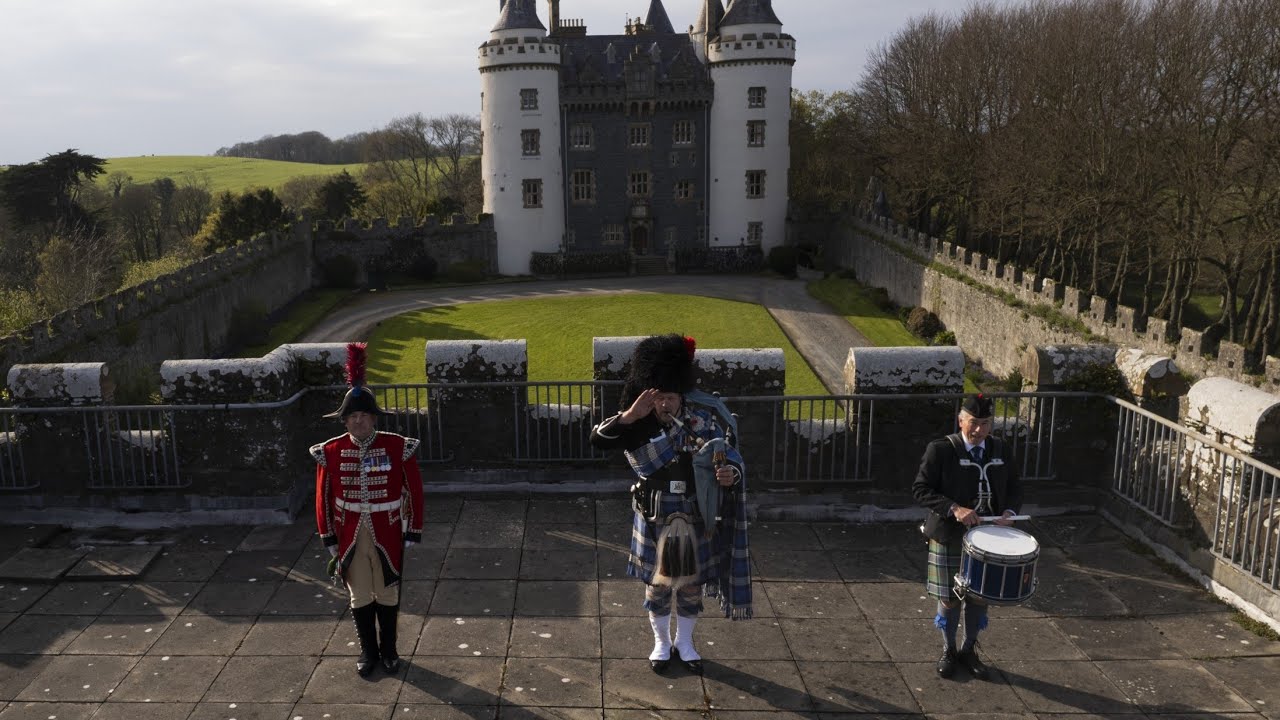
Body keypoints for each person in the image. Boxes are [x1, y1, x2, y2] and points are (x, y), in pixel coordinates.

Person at [590, 334, 752, 675]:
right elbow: (598, 440)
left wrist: (729, 475)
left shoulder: (705, 419)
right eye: (659, 397)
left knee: (692, 585)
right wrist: (630, 416)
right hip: (654, 513)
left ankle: (686, 642)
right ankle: (661, 643)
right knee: (658, 585)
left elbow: (731, 457)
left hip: (695, 511)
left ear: (682, 396)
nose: (665, 404)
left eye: (671, 397)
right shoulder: (637, 422)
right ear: (649, 395)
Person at [311, 342, 425, 677]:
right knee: (359, 594)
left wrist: (414, 529)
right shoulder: (330, 451)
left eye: (364, 416)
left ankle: (390, 651)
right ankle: (368, 651)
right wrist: (328, 536)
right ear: (345, 420)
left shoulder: (397, 446)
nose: (358, 422)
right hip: (348, 534)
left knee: (388, 592)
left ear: (374, 418)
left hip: (387, 530)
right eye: (352, 417)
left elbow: (415, 491)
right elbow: (323, 496)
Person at [912, 394, 1023, 680]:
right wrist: (954, 508)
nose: (979, 430)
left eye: (985, 424)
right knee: (950, 598)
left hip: (988, 536)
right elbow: (921, 490)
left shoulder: (1001, 449)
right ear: (961, 420)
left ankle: (969, 649)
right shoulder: (941, 450)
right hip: (950, 535)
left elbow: (1014, 487)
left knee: (979, 598)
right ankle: (948, 650)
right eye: (973, 423)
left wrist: (1009, 511)